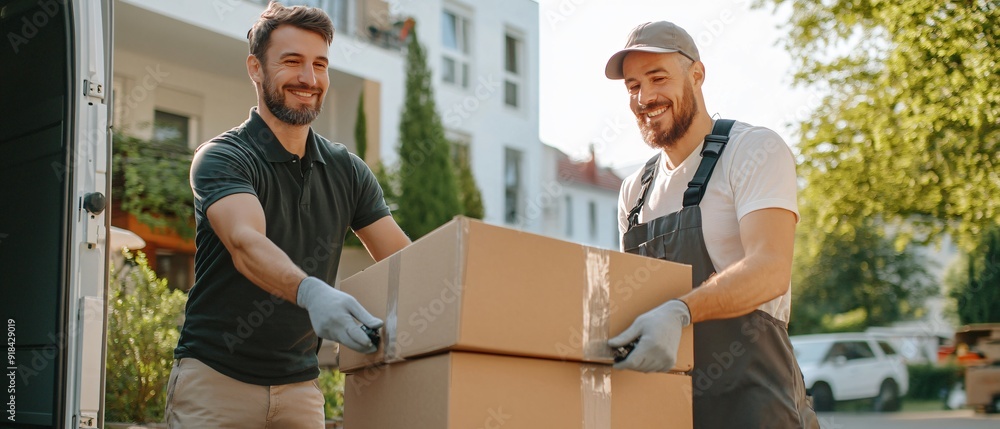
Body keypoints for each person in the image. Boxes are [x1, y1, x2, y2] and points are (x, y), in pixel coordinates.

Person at [164, 2, 410, 427]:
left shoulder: (348, 171)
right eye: (292, 62)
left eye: (320, 64)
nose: (309, 79)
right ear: (256, 69)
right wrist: (312, 292)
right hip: (216, 380)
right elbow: (246, 243)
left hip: (300, 388)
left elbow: (405, 261)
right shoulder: (224, 157)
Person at [604, 21, 819, 428]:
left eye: (658, 78)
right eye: (633, 86)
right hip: (669, 412)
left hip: (757, 408)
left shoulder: (752, 150)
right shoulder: (634, 192)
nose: (645, 97)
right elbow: (630, 301)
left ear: (697, 74)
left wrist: (680, 311)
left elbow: (771, 268)